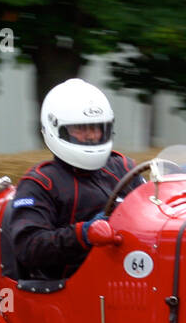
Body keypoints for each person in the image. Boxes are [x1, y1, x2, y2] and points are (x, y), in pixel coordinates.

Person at [9, 79, 142, 279]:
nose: (91, 136)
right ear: (57, 129)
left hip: (134, 270)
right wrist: (84, 234)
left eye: (97, 128)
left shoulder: (123, 168)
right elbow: (29, 247)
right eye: (81, 128)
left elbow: (152, 209)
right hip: (79, 286)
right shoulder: (41, 183)